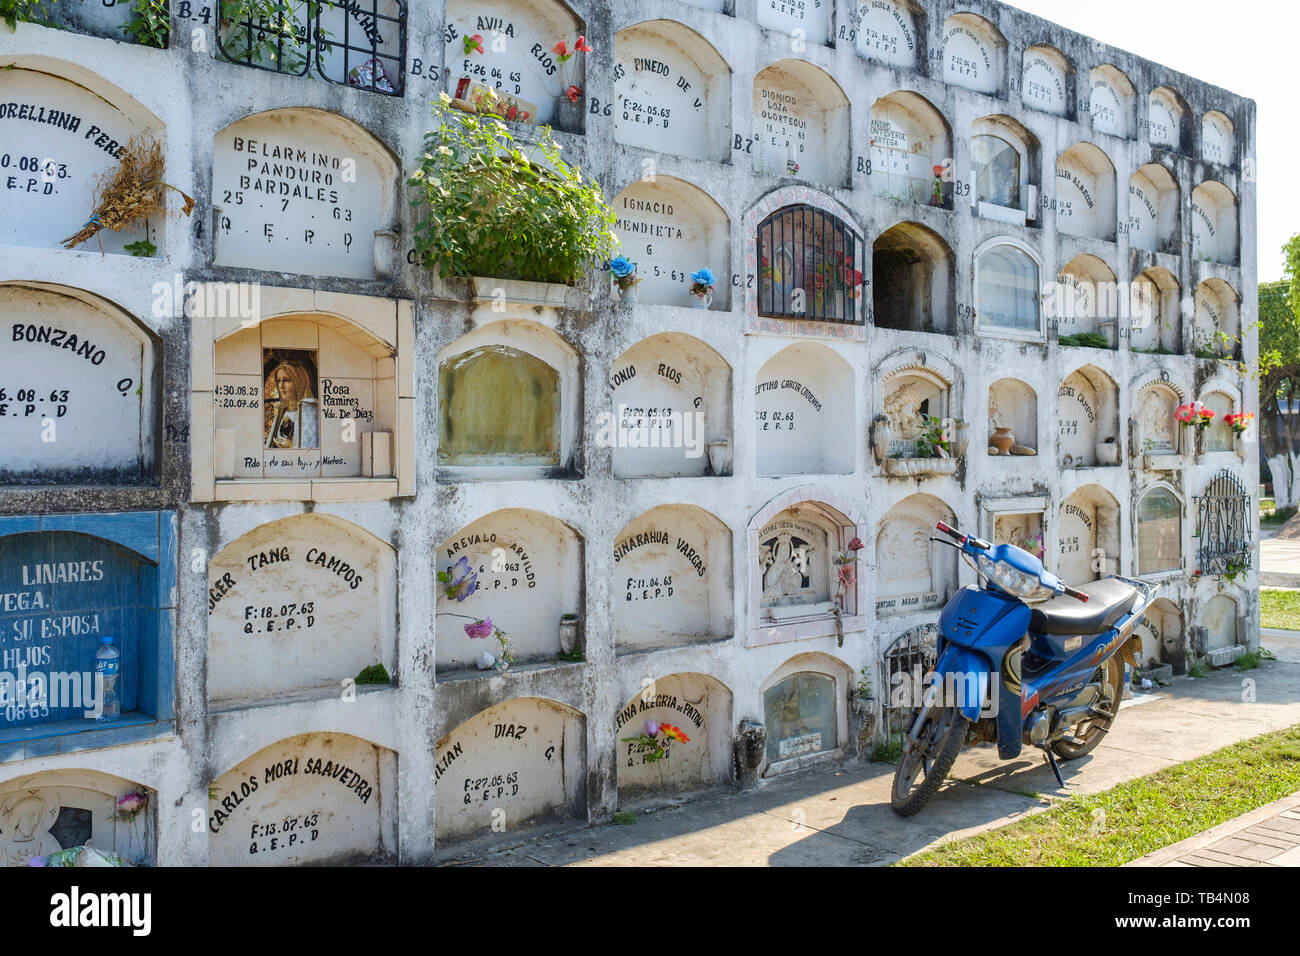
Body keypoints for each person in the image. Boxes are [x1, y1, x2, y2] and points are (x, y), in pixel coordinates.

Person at [264, 358, 319, 449]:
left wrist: (291, 445)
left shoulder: (311, 411)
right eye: (278, 381)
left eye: (286, 380)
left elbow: (312, 447)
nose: (281, 386)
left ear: (299, 382)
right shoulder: (282, 409)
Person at [0, 794, 62, 866]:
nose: (35, 821)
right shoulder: (2, 842)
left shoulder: (47, 841)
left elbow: (60, 863)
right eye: (30, 815)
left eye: (39, 816)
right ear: (17, 817)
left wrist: (37, 863)